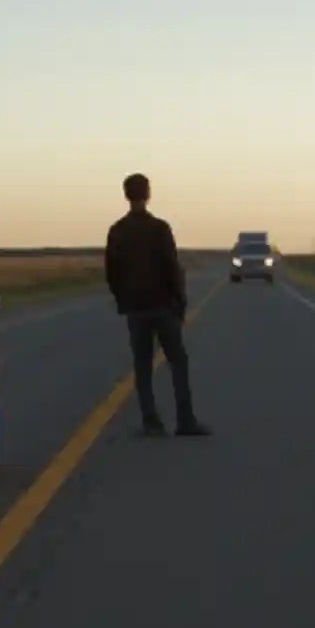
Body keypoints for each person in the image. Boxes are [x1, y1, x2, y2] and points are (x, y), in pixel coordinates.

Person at [104, 173, 211, 437]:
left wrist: (122, 300)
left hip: (136, 308)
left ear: (126, 195)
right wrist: (180, 301)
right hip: (163, 305)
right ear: (147, 194)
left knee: (142, 365)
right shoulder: (160, 228)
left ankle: (151, 421)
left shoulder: (118, 231)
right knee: (178, 362)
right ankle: (185, 420)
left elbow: (112, 272)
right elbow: (172, 267)